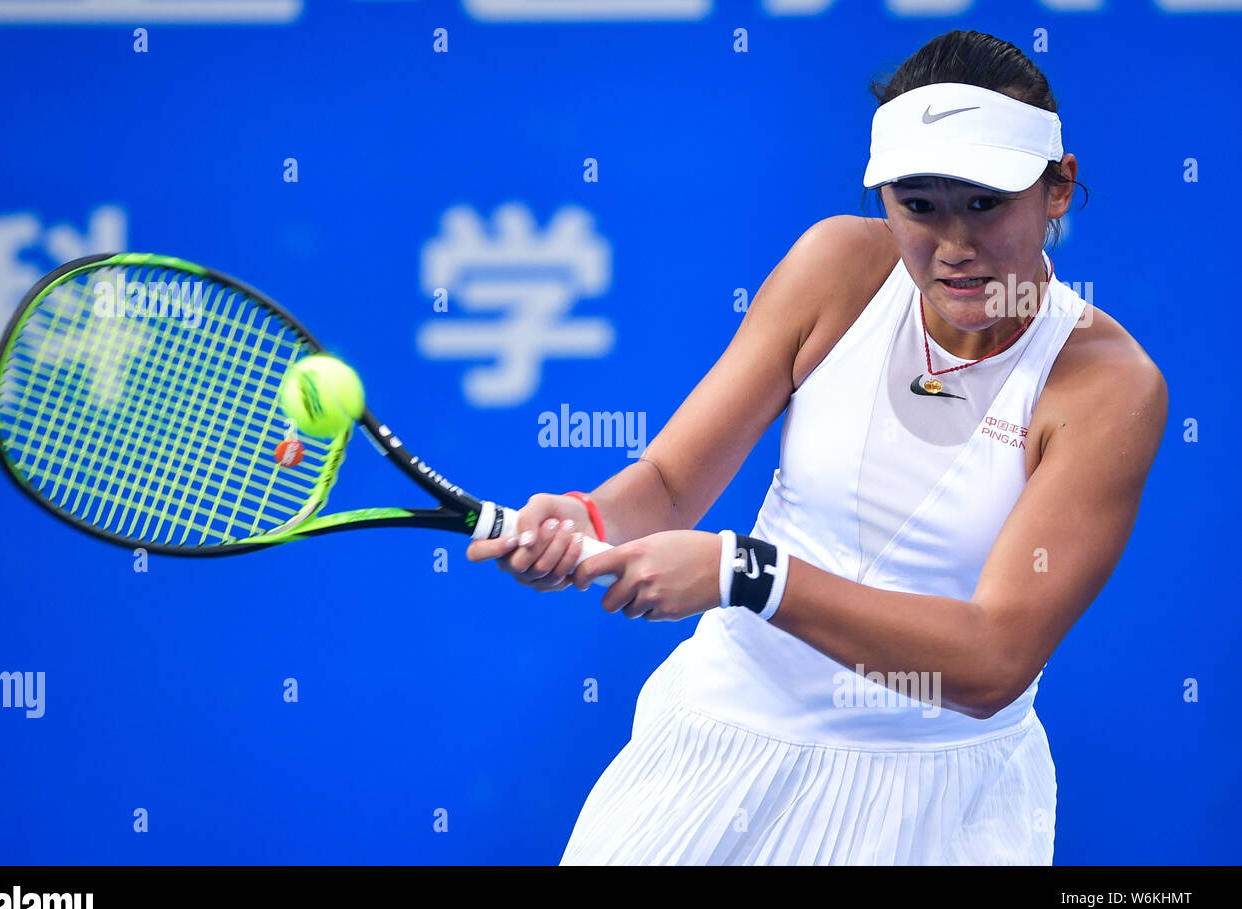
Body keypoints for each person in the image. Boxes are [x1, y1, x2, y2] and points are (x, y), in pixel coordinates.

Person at [467, 29, 1167, 865]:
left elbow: (994, 659)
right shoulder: (835, 267)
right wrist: (584, 517)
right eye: (919, 204)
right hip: (718, 749)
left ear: (1059, 188)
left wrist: (743, 574)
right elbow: (666, 482)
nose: (953, 246)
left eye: (985, 203)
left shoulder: (1108, 386)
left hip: (943, 807)